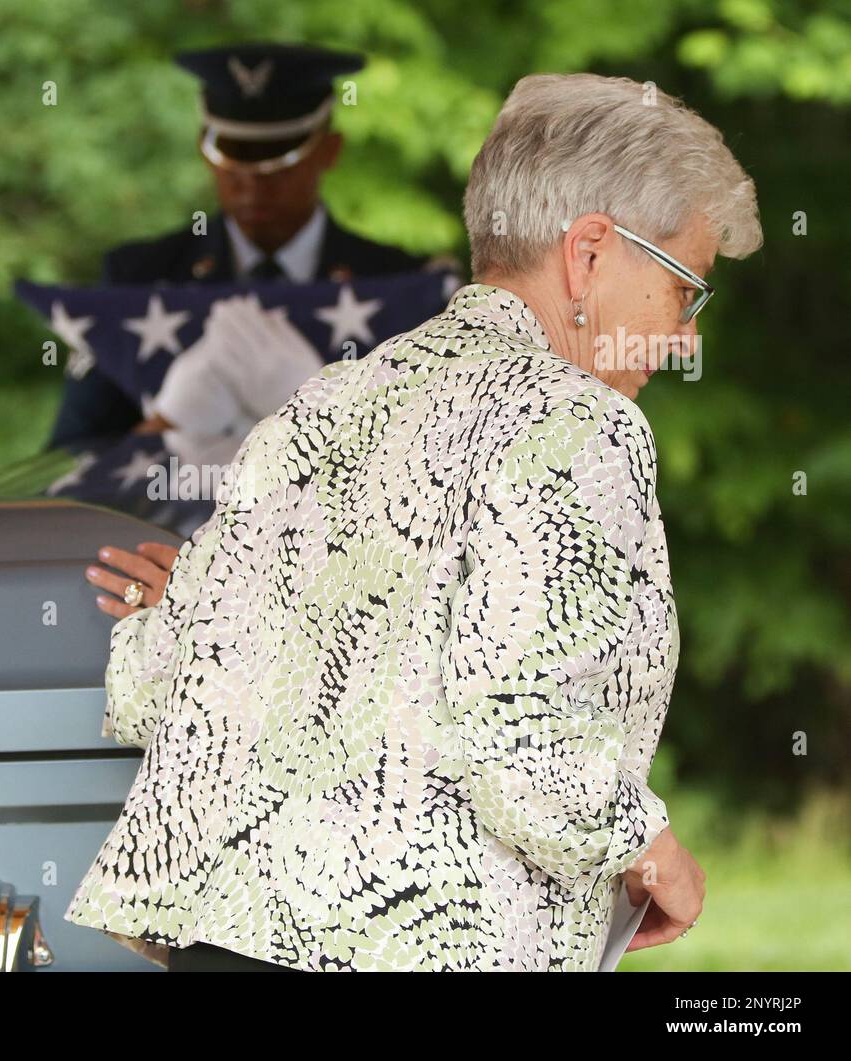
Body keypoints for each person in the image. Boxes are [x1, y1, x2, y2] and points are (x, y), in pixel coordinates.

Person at [65, 72, 761, 971]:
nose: (684, 337)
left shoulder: (325, 401)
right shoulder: (577, 421)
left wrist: (192, 613)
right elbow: (517, 716)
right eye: (685, 289)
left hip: (222, 943)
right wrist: (648, 846)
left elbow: (154, 686)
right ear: (590, 254)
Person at [45, 42, 451, 453]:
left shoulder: (405, 290)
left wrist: (325, 417)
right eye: (235, 153)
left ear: (329, 151)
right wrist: (167, 424)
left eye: (278, 157)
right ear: (204, 149)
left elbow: (440, 470)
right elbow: (71, 469)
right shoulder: (138, 279)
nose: (253, 182)